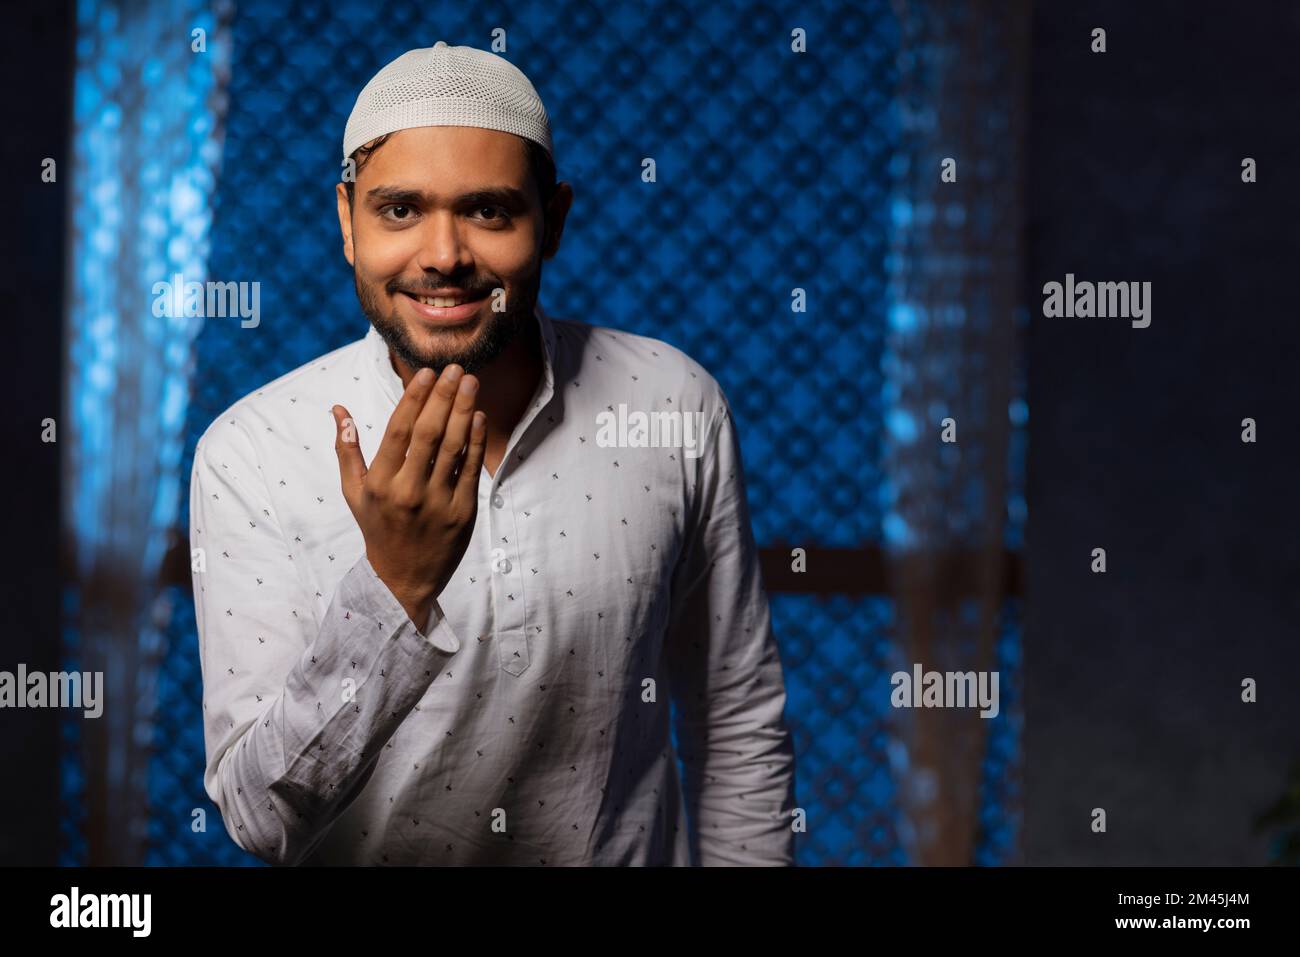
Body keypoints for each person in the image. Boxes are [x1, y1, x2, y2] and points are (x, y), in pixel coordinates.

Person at [189, 41, 796, 866]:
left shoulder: (672, 402)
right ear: (347, 221)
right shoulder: (251, 450)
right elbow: (260, 819)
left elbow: (737, 719)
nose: (444, 254)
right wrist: (393, 590)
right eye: (399, 210)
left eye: (488, 210)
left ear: (554, 220)